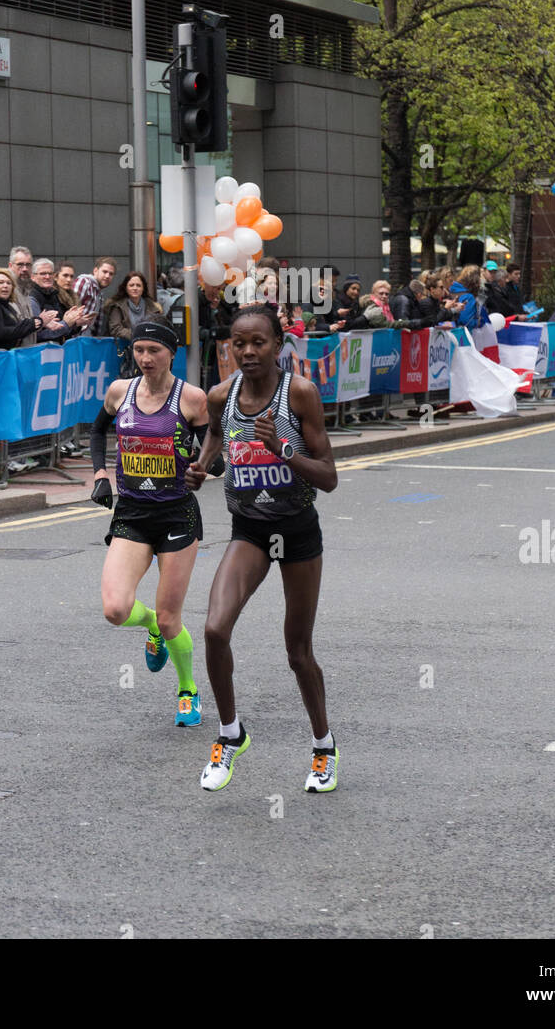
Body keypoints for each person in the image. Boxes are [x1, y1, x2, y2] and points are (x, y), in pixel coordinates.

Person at [186, 305, 339, 794]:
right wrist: (202, 466)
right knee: (213, 629)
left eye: (259, 343)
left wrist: (284, 452)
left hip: (297, 532)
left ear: (279, 344)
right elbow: (214, 433)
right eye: (239, 343)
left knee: (298, 653)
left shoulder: (299, 393)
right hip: (248, 529)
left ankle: (323, 748)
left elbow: (330, 477)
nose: (248, 352)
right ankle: (231, 736)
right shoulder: (219, 395)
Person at [90, 321, 214, 728]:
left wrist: (202, 467)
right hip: (132, 513)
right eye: (139, 349)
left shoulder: (191, 399)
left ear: (170, 354)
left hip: (177, 514)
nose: (145, 358)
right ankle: (151, 631)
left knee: (169, 616)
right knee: (114, 609)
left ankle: (187, 689)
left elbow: (215, 452)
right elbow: (97, 428)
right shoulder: (119, 391)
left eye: (153, 351)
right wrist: (100, 474)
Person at [0, 267, 57, 348]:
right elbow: (0, 333)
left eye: (9, 283)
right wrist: (33, 323)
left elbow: (18, 326)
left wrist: (37, 322)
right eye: (0, 282)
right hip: (0, 357)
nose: (5, 286)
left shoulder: (8, 305)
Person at [30, 259, 91, 340]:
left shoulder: (53, 294)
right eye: (43, 274)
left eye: (50, 273)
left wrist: (74, 323)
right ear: (33, 277)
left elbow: (63, 331)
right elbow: (36, 336)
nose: (47, 277)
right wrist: (66, 324)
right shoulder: (32, 298)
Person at [105, 270, 163, 340]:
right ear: (126, 288)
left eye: (138, 285)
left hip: (148, 346)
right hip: (125, 347)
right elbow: (115, 329)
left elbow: (159, 328)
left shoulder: (154, 307)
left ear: (143, 288)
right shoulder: (117, 307)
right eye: (131, 285)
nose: (135, 288)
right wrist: (137, 334)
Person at [75, 258, 117, 336]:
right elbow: (69, 308)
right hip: (74, 338)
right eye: (104, 272)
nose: (107, 276)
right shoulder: (85, 282)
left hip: (86, 339)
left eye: (111, 274)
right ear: (95, 271)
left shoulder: (99, 294)